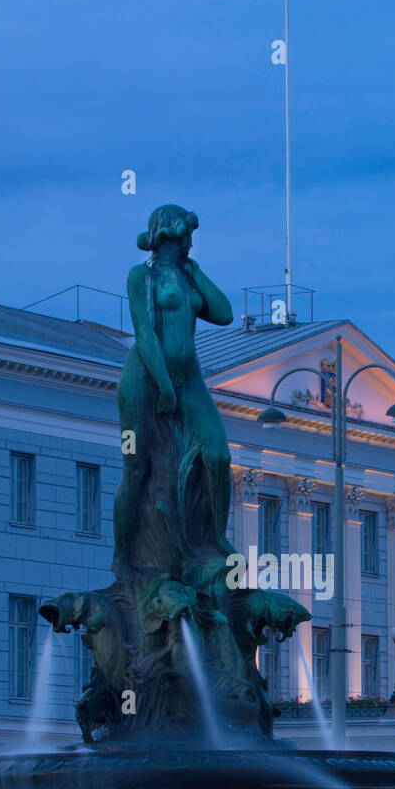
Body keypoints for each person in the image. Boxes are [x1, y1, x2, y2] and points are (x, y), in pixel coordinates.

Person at [112, 204, 234, 581]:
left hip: (189, 379)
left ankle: (214, 539)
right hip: (144, 382)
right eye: (188, 235)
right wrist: (163, 386)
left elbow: (224, 312)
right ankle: (123, 555)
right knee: (137, 467)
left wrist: (197, 272)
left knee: (218, 454)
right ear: (172, 235)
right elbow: (145, 333)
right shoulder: (141, 277)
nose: (191, 242)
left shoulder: (188, 275)